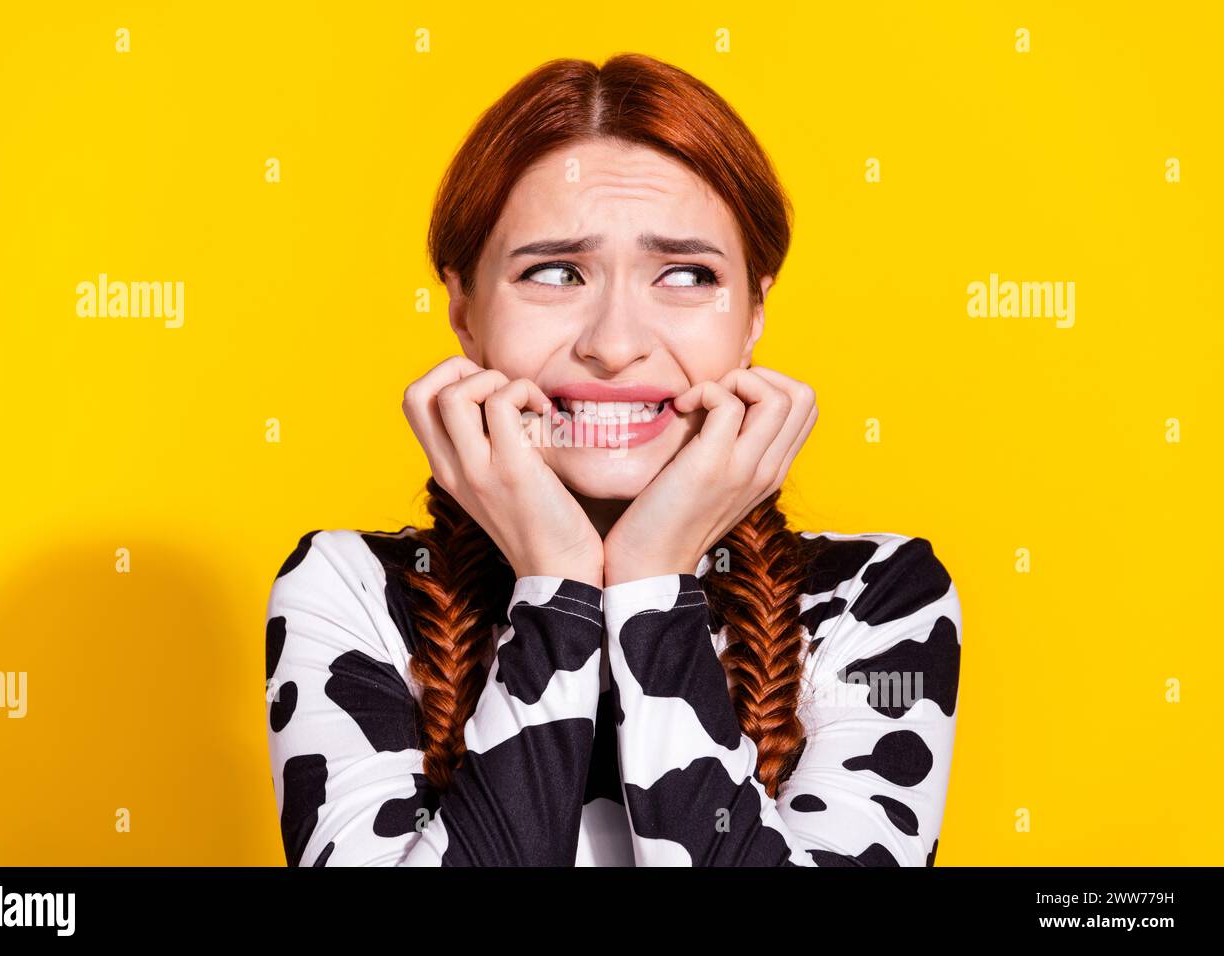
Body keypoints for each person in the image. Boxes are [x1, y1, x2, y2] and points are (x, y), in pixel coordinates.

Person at [264, 52, 962, 866]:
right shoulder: (347, 593)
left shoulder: (877, 604)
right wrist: (559, 586)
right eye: (557, 273)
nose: (616, 345)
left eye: (685, 274)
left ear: (754, 314)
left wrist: (649, 580)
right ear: (463, 307)